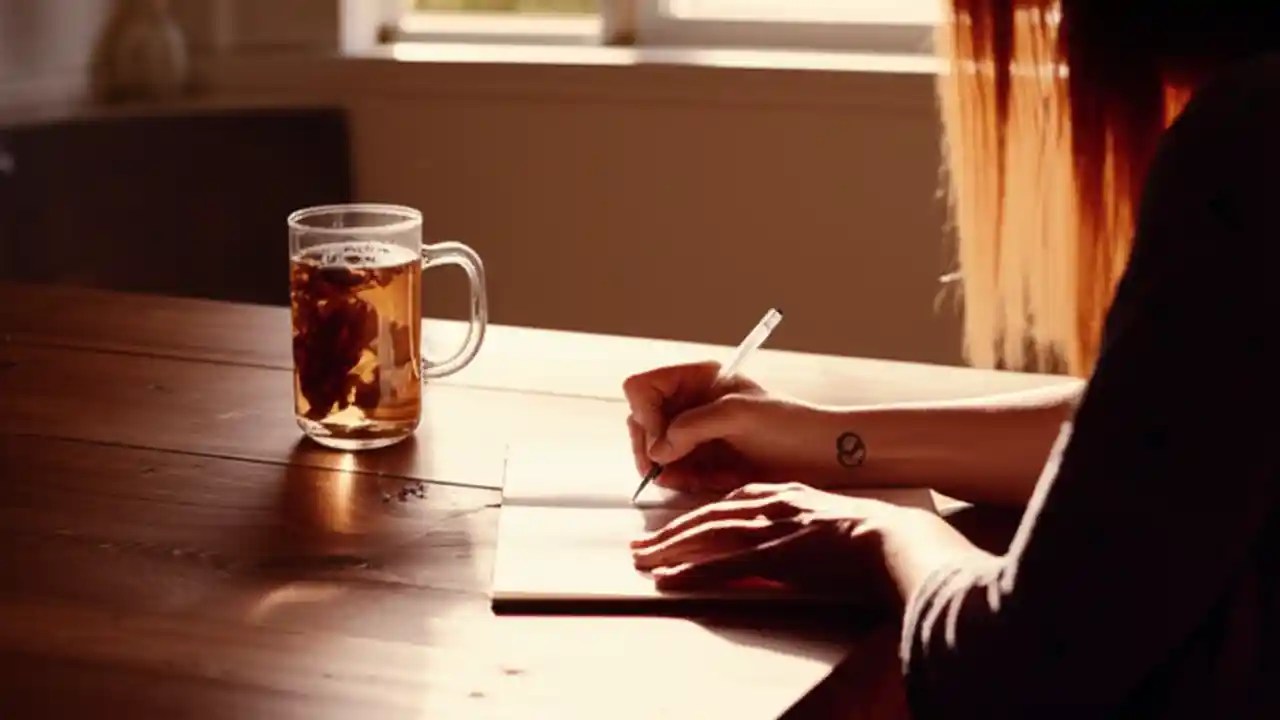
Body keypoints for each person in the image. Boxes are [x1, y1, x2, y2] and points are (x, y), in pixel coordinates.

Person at [621, 2, 1278, 717]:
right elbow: (1175, 432)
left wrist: (870, 530)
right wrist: (822, 438)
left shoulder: (1253, 139)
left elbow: (1018, 667)